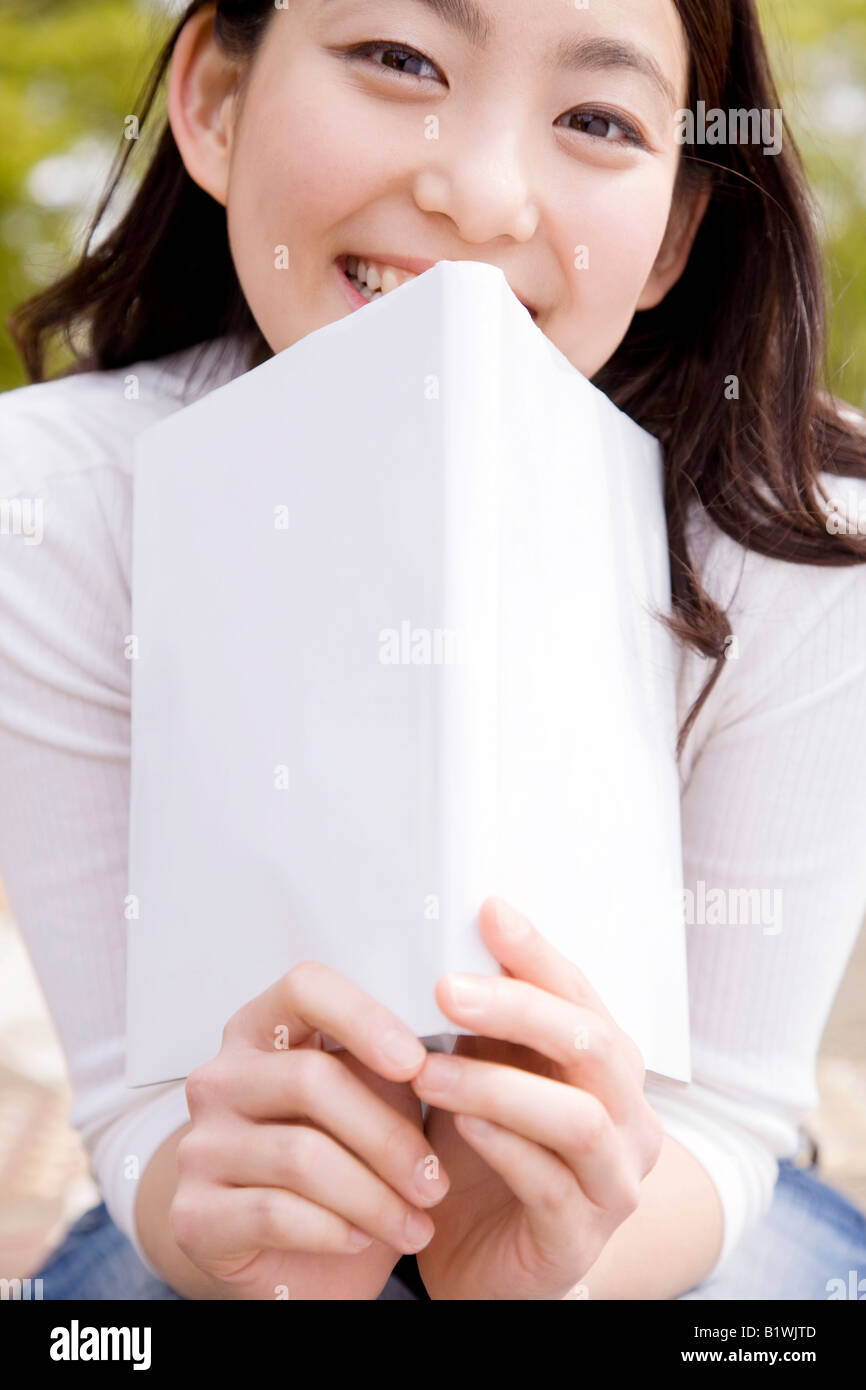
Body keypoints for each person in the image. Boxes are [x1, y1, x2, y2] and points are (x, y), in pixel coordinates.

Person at [2, 0, 866, 1300]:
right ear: (214, 100)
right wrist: (251, 1238)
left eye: (594, 116)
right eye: (399, 59)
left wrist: (527, 1269)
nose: (475, 193)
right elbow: (137, 1112)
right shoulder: (56, 507)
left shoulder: (798, 532)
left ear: (670, 233)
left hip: (650, 1230)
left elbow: (727, 1118)